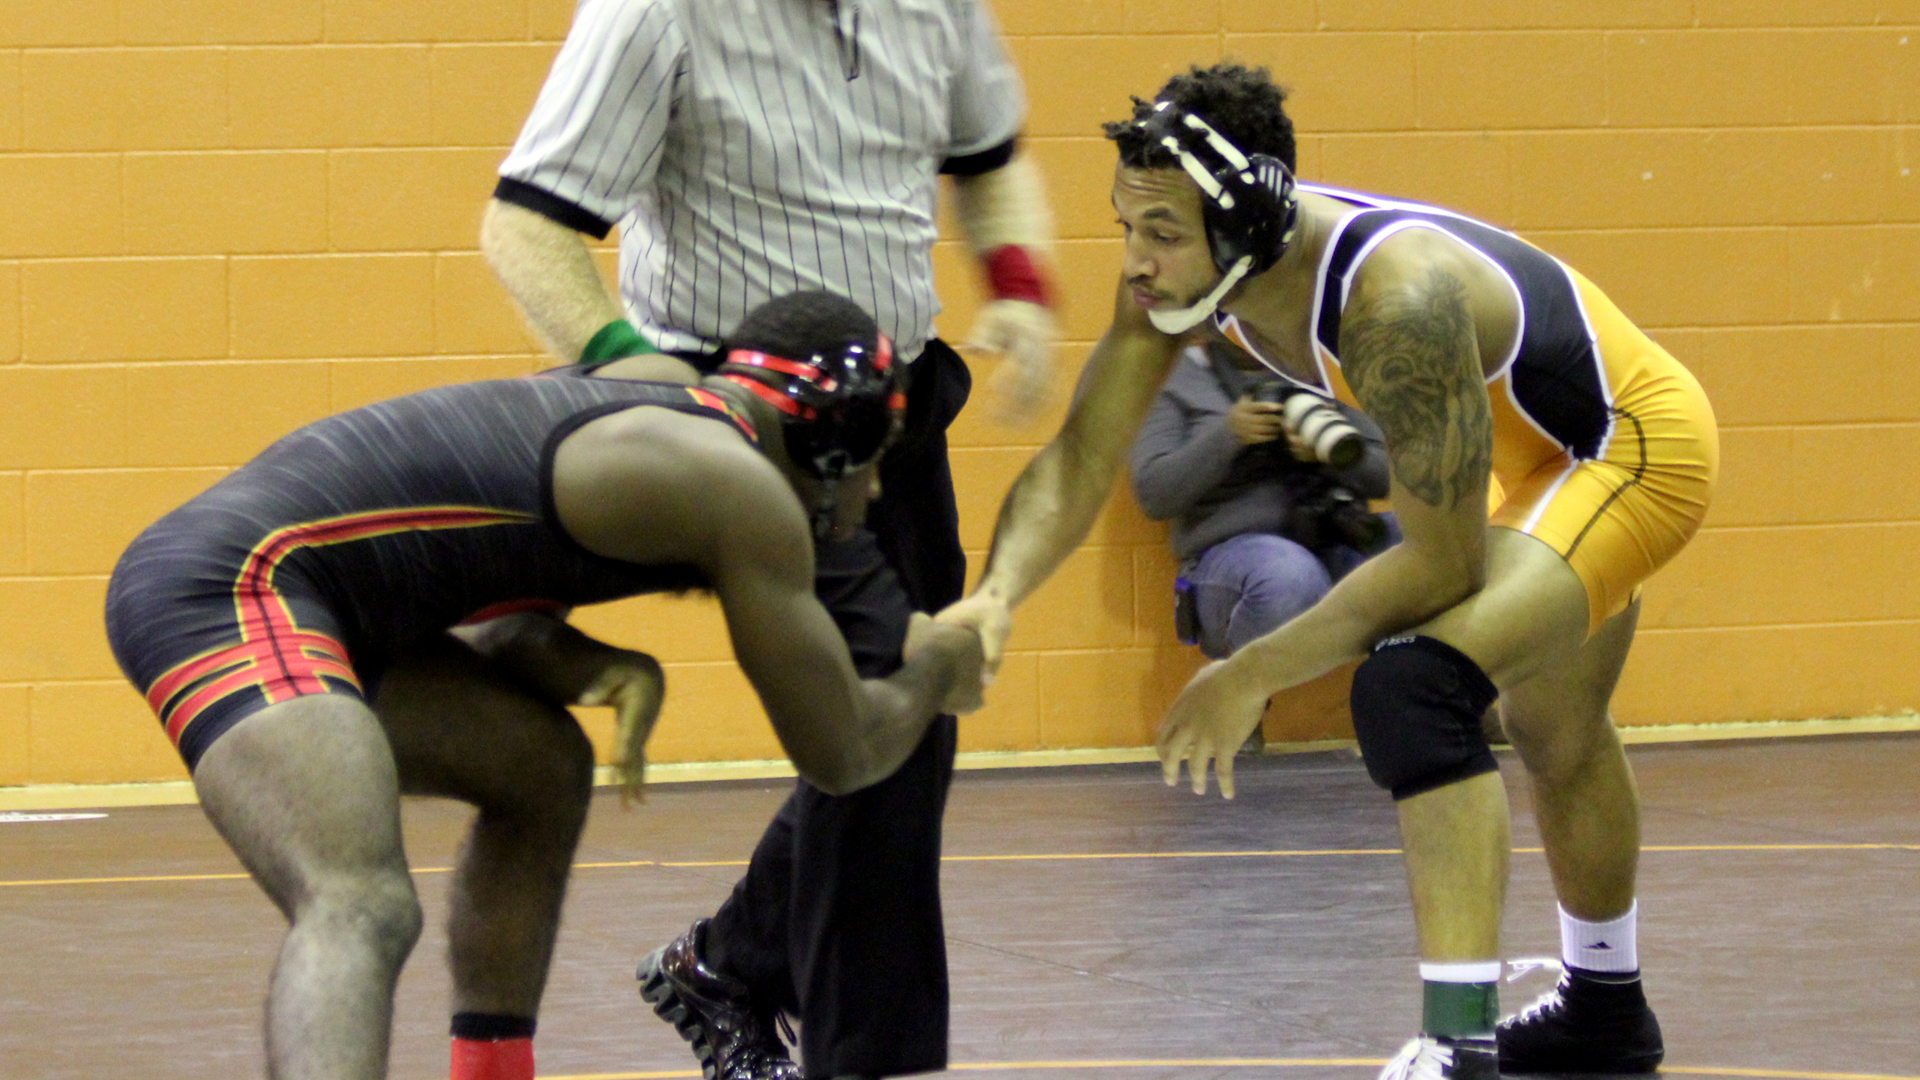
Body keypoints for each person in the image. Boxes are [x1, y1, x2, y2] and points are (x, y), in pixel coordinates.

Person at [938, 63, 1717, 1079]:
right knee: (1554, 728)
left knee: (1417, 688)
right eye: (1129, 225)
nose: (1136, 261)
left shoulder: (1396, 298)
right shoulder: (1193, 282)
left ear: (1250, 221)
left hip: (1627, 450)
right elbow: (1084, 457)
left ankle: (1458, 1042)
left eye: (1162, 232)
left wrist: (1249, 670)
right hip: (1533, 465)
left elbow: (1438, 567)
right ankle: (1605, 1010)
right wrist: (992, 597)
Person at [103, 291, 984, 1080]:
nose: (872, 495)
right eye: (872, 463)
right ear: (830, 446)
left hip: (326, 600)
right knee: (358, 900)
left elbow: (495, 616)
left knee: (540, 767)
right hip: (233, 587)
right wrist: (934, 668)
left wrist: (598, 665)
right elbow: (840, 755)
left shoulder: (656, 391)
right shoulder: (736, 485)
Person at [479, 2, 1059, 1078]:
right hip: (737, 414)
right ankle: (851, 1048)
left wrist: (1019, 288)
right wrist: (638, 378)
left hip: (889, 403)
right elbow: (525, 224)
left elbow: (992, 160)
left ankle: (734, 962)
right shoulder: (658, 14)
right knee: (885, 718)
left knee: (910, 722)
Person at [1130, 339, 1395, 662]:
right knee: (1289, 573)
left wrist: (1329, 454)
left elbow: (1394, 475)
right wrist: (1230, 434)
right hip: (1232, 561)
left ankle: (1409, 684)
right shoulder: (1180, 381)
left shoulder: (1306, 373)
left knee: (1429, 541)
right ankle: (1239, 687)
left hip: (1328, 539)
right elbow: (1154, 495)